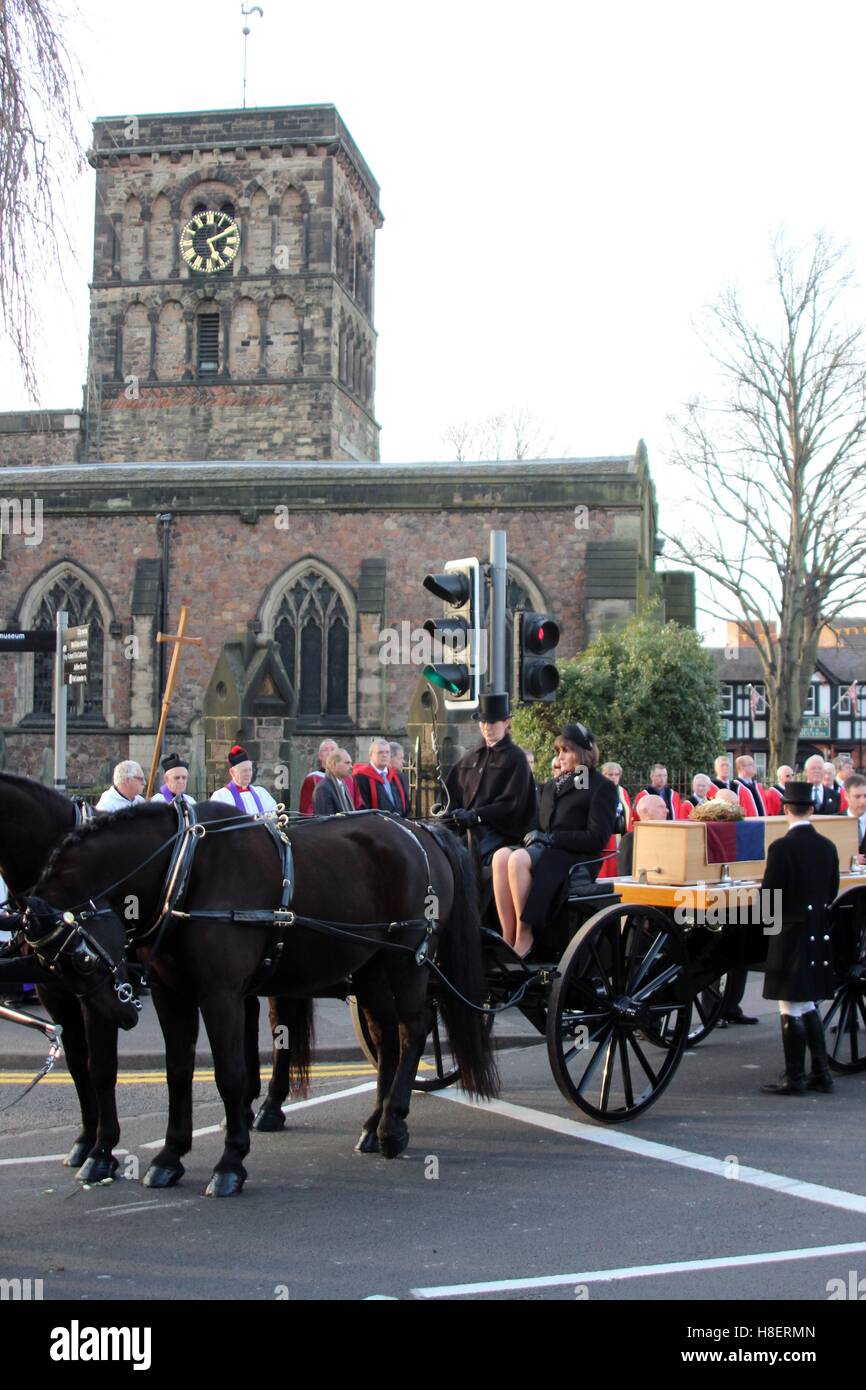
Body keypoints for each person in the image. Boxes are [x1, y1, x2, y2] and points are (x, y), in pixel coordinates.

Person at [491, 722, 617, 957]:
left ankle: (525, 934)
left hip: (575, 858)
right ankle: (508, 936)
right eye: (558, 751)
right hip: (547, 851)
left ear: (582, 753)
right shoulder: (550, 787)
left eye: (566, 751)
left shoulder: (601, 787)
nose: (560, 757)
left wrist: (551, 838)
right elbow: (537, 825)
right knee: (500, 856)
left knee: (518, 858)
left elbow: (597, 838)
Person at [759, 781, 839, 1095]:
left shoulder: (781, 847)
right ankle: (821, 1073)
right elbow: (831, 890)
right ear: (812, 809)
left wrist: (767, 929)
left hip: (790, 932)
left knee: (790, 1004)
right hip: (817, 929)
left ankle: (795, 1077)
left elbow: (769, 899)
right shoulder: (827, 846)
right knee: (806, 1002)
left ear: (785, 809)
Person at [444, 692, 536, 880]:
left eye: (493, 723)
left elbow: (511, 803)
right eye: (484, 722)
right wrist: (448, 814)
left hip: (500, 832)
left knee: (467, 861)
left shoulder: (515, 758)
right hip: (465, 830)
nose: (487, 727)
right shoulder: (470, 757)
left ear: (506, 723)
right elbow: (450, 793)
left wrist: (476, 816)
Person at [210, 745, 277, 815]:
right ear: (232, 772)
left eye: (250, 770)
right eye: (244, 771)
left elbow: (273, 814)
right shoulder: (221, 796)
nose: (248, 774)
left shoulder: (261, 793)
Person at [353, 737, 408, 813]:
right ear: (370, 756)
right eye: (380, 752)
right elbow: (363, 808)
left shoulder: (397, 777)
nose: (384, 755)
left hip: (399, 822)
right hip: (376, 823)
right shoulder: (361, 778)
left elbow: (407, 807)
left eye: (387, 752)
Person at [618, 793, 667, 875]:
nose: (667, 811)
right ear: (645, 811)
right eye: (661, 807)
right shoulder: (631, 839)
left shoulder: (669, 837)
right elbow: (625, 873)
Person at [598, 761, 632, 878]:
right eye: (610, 774)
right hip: (604, 836)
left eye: (616, 775)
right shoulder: (598, 790)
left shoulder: (623, 792)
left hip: (619, 835)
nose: (613, 777)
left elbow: (628, 814)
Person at [312, 748, 357, 815]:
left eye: (351, 763)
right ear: (334, 764)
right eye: (347, 763)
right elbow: (326, 821)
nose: (351, 767)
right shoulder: (323, 789)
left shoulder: (342, 785)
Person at [299, 739, 338, 815]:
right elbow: (307, 810)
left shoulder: (348, 780)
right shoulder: (312, 779)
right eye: (325, 750)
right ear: (320, 755)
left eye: (333, 749)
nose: (329, 753)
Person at [844, 773, 866, 864]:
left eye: (865, 796)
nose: (863, 802)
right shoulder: (834, 821)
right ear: (846, 796)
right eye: (857, 797)